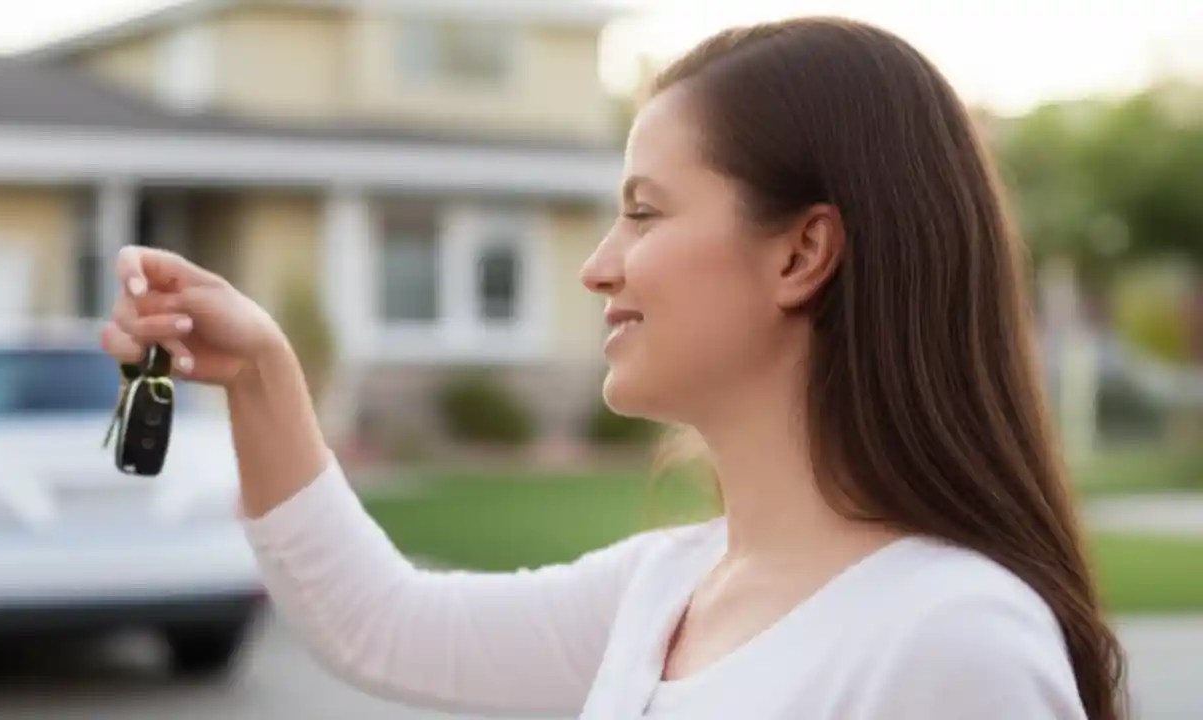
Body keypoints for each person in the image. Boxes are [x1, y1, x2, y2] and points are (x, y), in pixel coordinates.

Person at [101, 16, 1126, 720]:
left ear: (800, 253)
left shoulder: (952, 641)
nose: (598, 266)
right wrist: (263, 375)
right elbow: (384, 626)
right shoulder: (669, 589)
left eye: (642, 211)